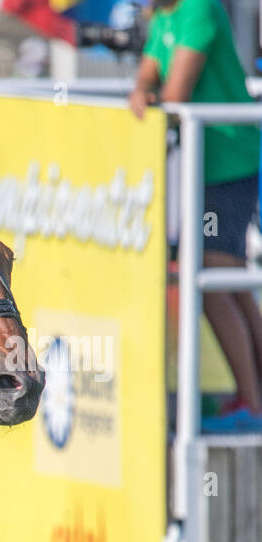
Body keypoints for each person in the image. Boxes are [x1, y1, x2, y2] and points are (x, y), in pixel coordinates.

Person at [129, 0, 262, 431]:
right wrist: (143, 90)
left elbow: (173, 95)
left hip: (229, 166)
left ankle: (253, 405)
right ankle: (254, 399)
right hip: (209, 169)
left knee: (213, 281)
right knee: (229, 285)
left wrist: (148, 95)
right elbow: (148, 78)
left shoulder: (199, 8)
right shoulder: (165, 14)